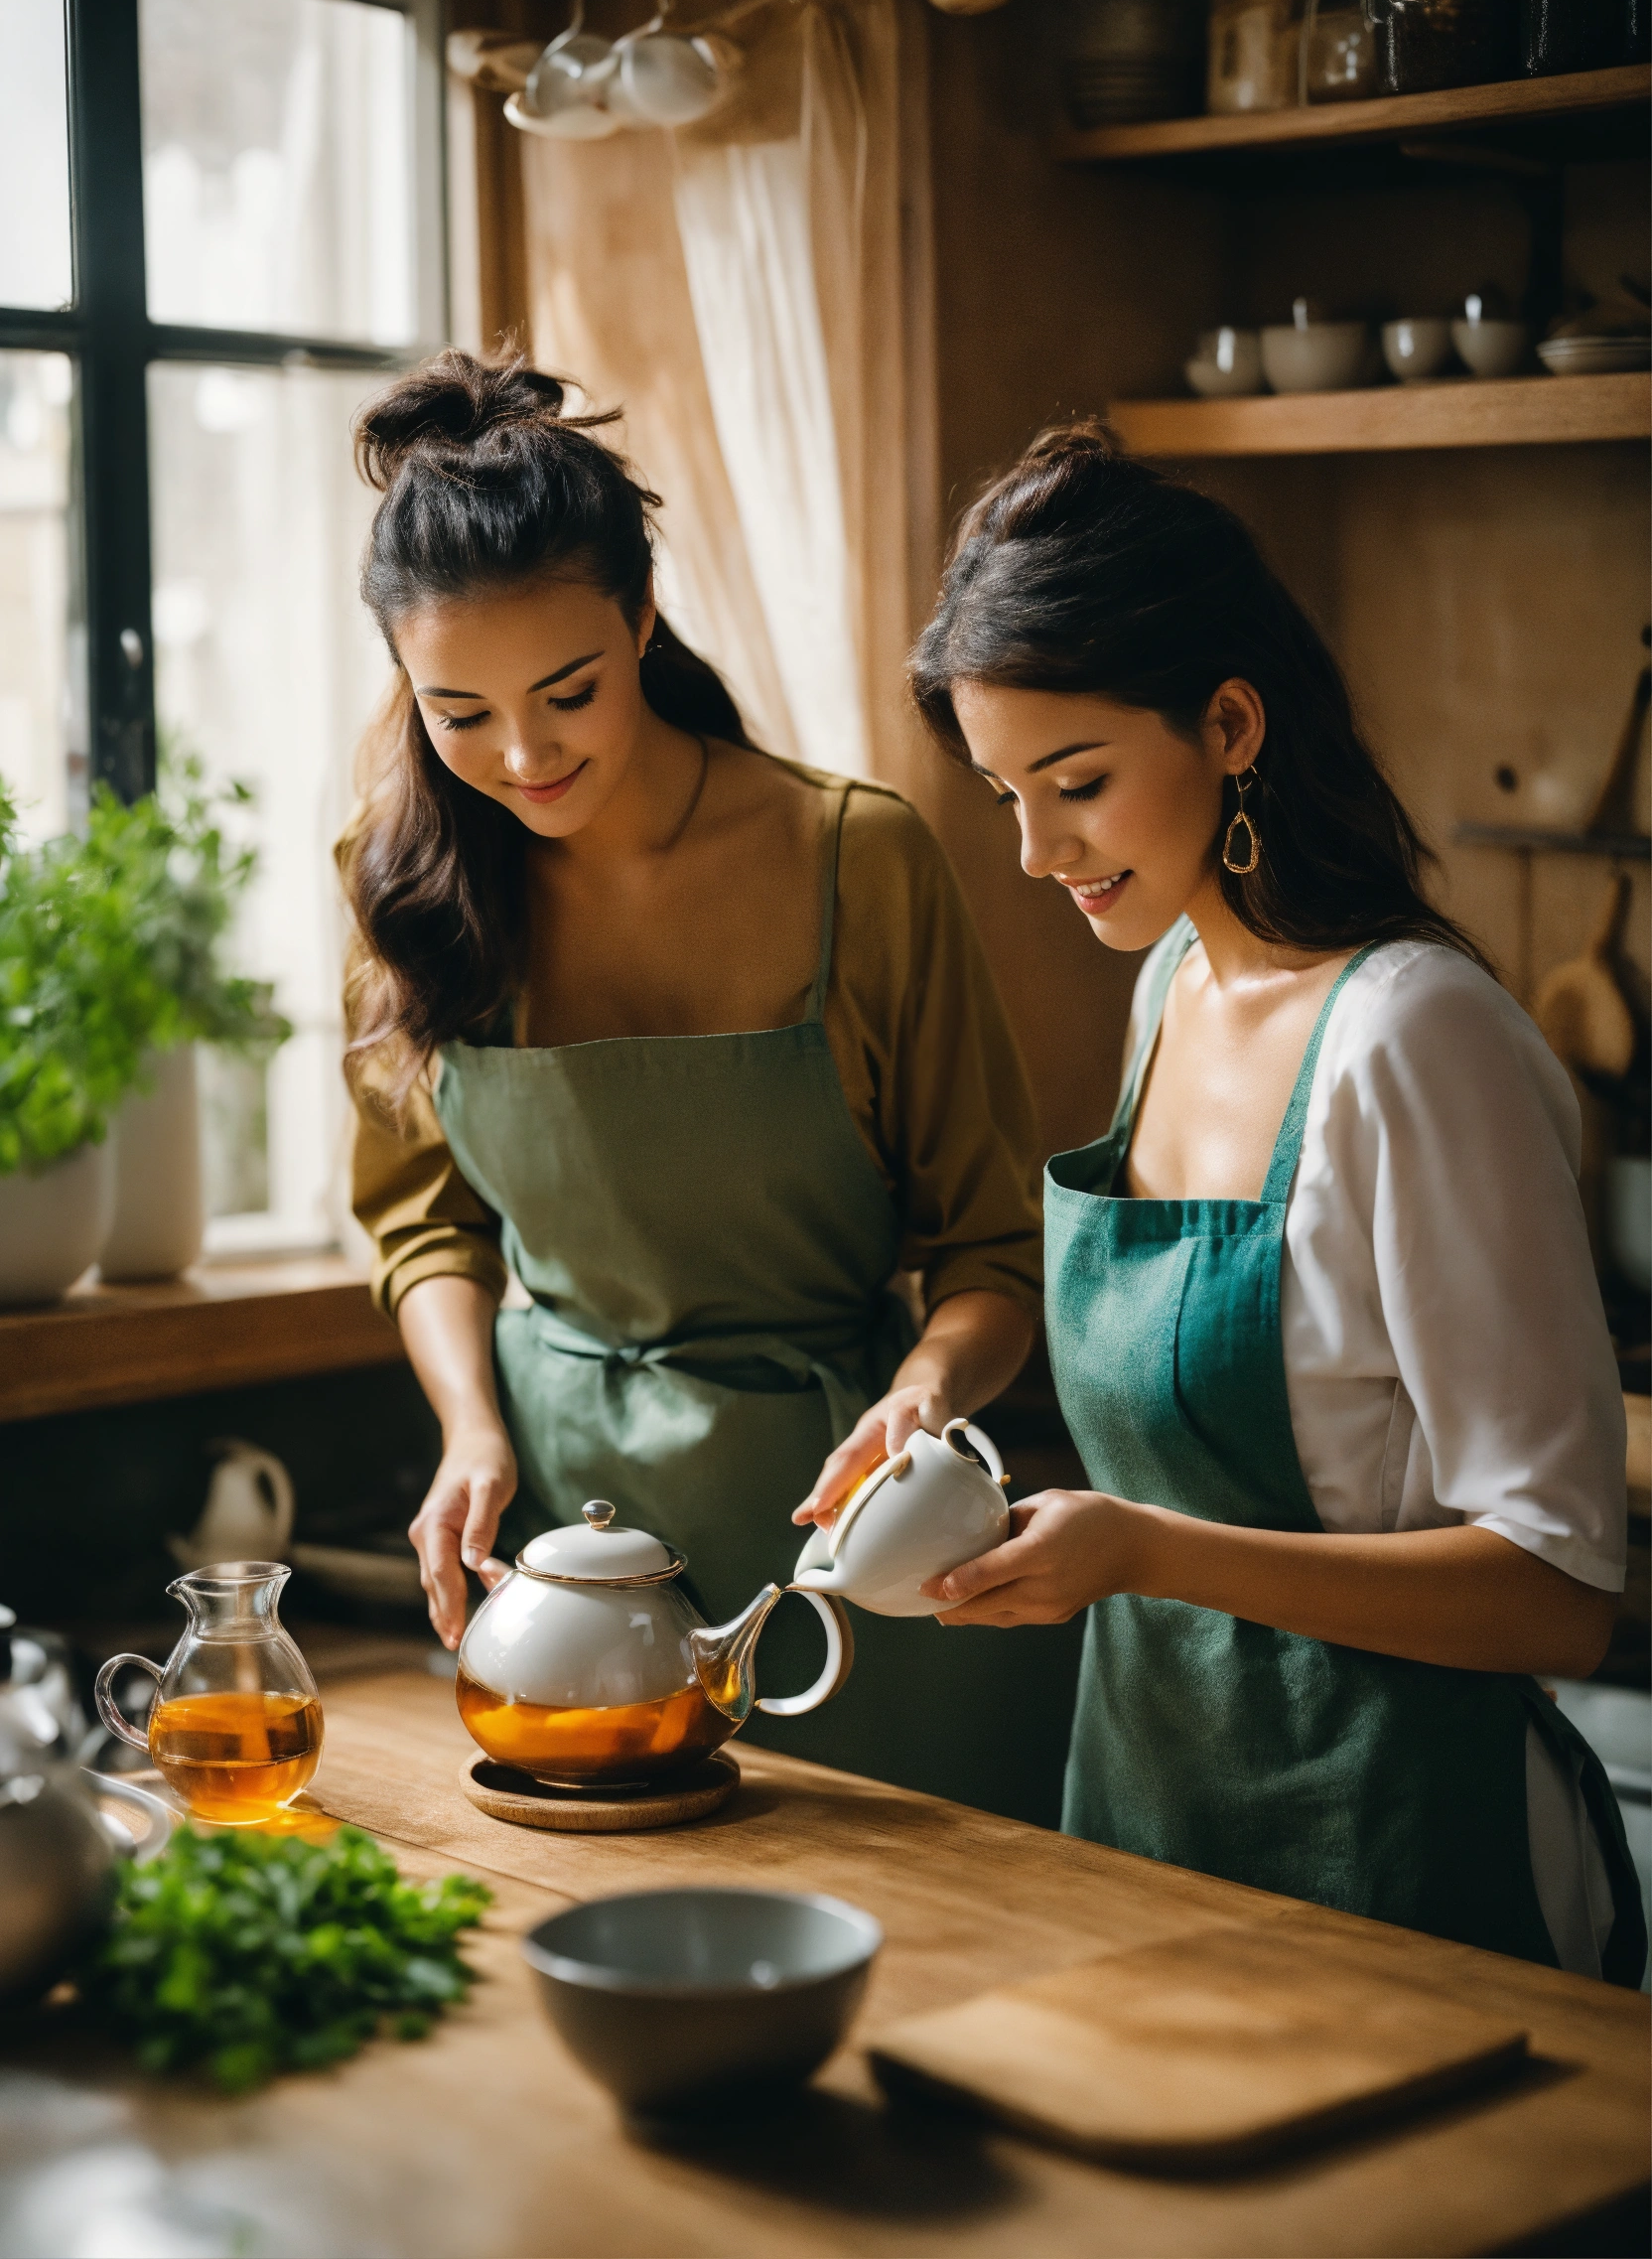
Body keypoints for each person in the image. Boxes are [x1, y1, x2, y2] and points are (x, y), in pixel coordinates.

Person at [892, 421, 1644, 1980]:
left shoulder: (1414, 1034)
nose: (1035, 852)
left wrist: (1146, 1553)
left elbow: (1560, 1591)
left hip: (1399, 1855)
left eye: (1077, 783)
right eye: (1003, 794)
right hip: (1151, 1823)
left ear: (1230, 721)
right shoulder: (1168, 981)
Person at [340, 349, 1054, 1805]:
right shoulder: (404, 885)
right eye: (457, 713)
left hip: (849, 1557)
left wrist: (921, 1397)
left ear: (643, 619)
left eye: (569, 691)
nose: (524, 755)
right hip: (560, 1581)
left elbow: (996, 1251)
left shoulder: (860, 860)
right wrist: (471, 1425)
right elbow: (423, 1225)